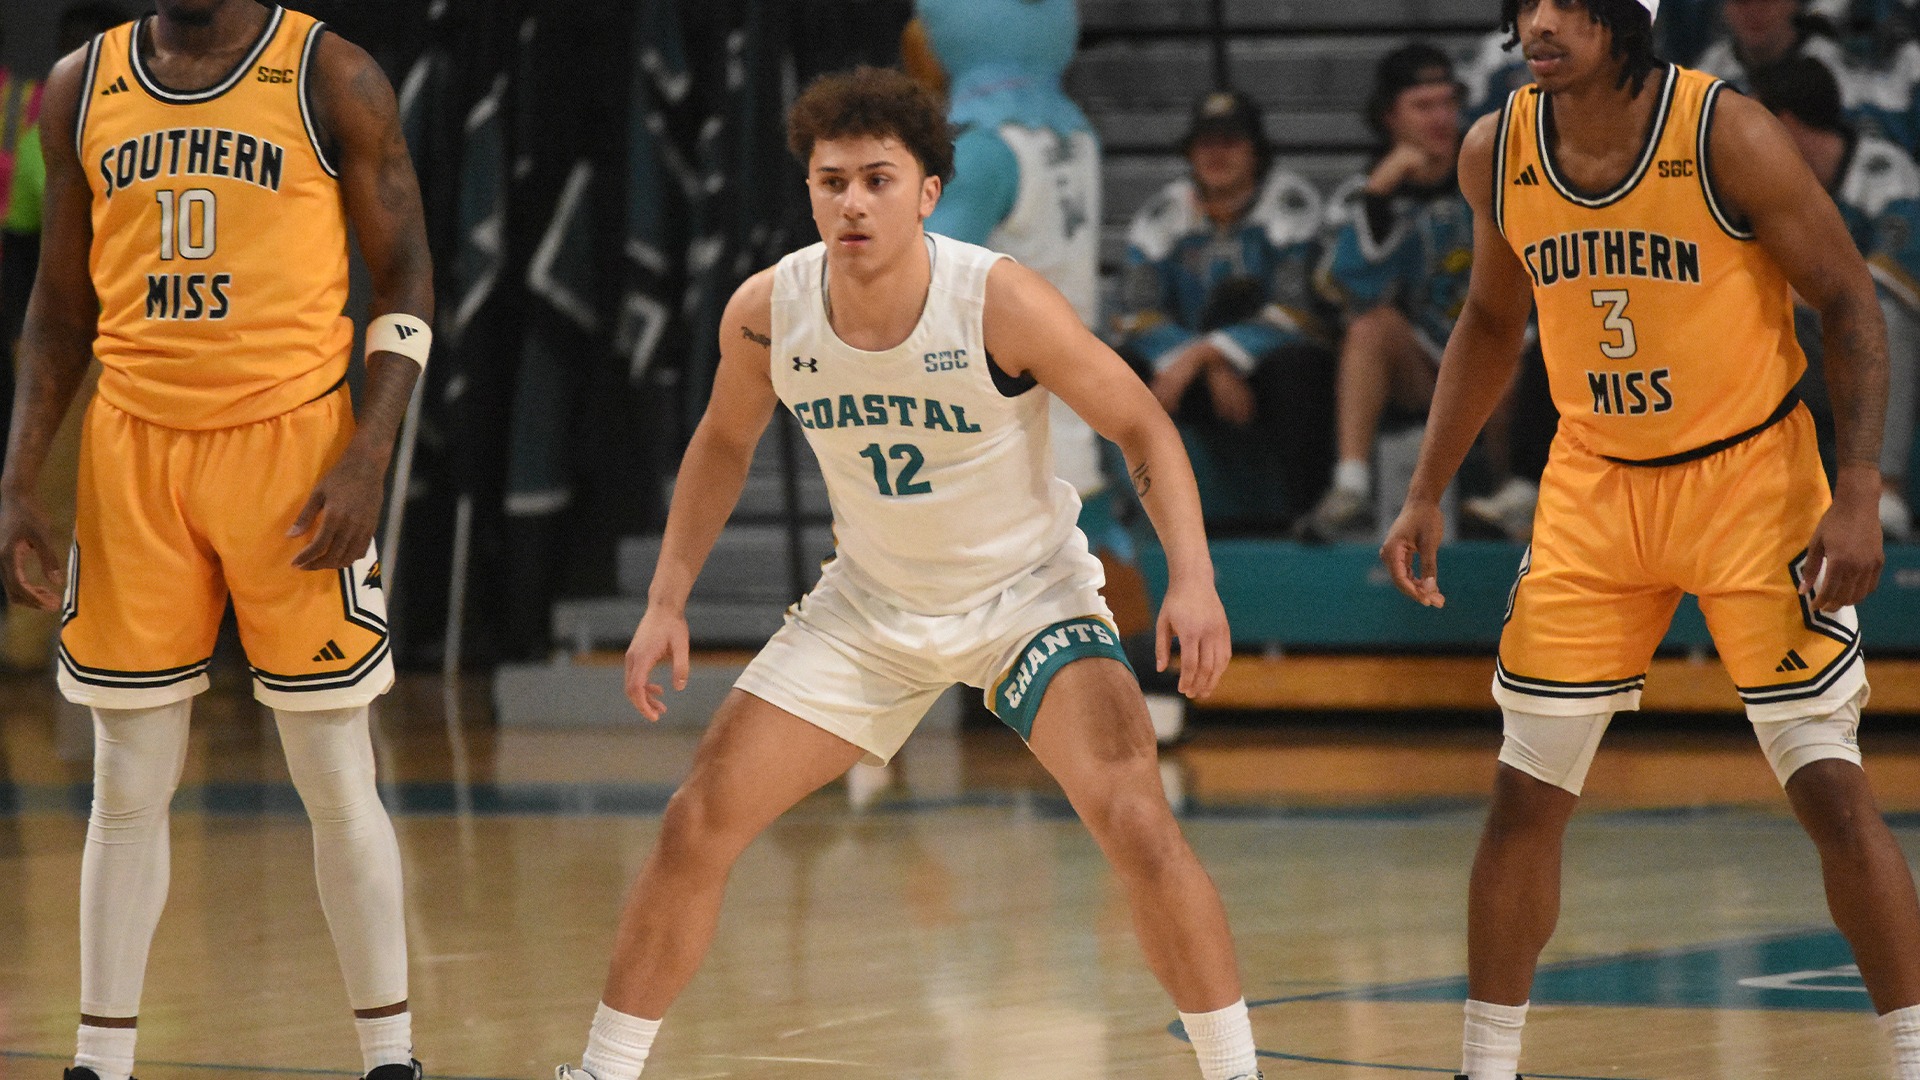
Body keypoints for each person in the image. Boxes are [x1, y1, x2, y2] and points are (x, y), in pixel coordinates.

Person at [554, 66, 1261, 1080]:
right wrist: (668, 599)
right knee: (696, 820)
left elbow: (1140, 420)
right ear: (808, 191)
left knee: (1136, 817)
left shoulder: (995, 298)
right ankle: (602, 1072)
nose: (852, 201)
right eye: (831, 180)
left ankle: (1236, 1071)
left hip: (1026, 600)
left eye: (878, 179)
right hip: (872, 609)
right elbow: (720, 444)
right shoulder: (768, 311)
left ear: (929, 192)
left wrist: (1191, 578)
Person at [1379, 1, 1920, 1078]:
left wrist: (1857, 490)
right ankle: (1485, 1067)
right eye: (1525, 2)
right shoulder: (1499, 148)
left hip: (1753, 480)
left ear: (1630, 17)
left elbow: (1851, 303)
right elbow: (1493, 322)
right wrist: (1427, 488)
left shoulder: (1727, 133)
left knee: (1827, 786)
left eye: (1569, 2)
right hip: (1595, 487)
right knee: (1523, 793)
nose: (1539, 20)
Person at [0, 1, 435, 1078]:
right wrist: (16, 477)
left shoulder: (333, 72)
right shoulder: (78, 84)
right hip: (133, 451)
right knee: (126, 776)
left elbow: (411, 278)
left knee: (334, 769)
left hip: (293, 452)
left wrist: (369, 453)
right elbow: (59, 307)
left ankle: (392, 1056)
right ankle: (99, 1063)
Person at [1301, 43, 1537, 543]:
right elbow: (1335, 292)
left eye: (1447, 103)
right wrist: (1381, 196)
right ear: (1390, 117)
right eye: (1423, 106)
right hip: (1422, 369)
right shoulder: (1361, 193)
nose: (1441, 118)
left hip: (1498, 357)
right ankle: (1350, 486)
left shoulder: (1495, 176)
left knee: (1510, 340)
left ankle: (1513, 497)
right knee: (1370, 327)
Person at [1118, 87, 1335, 530]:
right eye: (1206, 143)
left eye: (1231, 142)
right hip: (1186, 373)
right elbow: (1134, 313)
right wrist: (1204, 363)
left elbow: (1298, 311)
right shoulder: (1164, 212)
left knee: (1302, 366)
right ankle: (1137, 512)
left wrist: (1208, 355)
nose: (1217, 154)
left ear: (1257, 152)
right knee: (1118, 367)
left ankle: (1303, 516)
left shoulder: (1291, 203)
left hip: (1265, 369)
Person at [0, 1, 128, 674]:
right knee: (50, 496)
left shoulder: (148, 118)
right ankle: (27, 651)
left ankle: (171, 645)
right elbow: (25, 233)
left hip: (136, 344)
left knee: (135, 510)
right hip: (63, 341)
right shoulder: (45, 125)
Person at [1752, 54, 1920, 540]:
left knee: (1882, 318)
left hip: (1887, 334)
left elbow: (1885, 286)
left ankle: (1883, 488)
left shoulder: (1884, 172)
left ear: (1783, 124)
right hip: (1811, 326)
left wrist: (1798, 294)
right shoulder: (1765, 183)